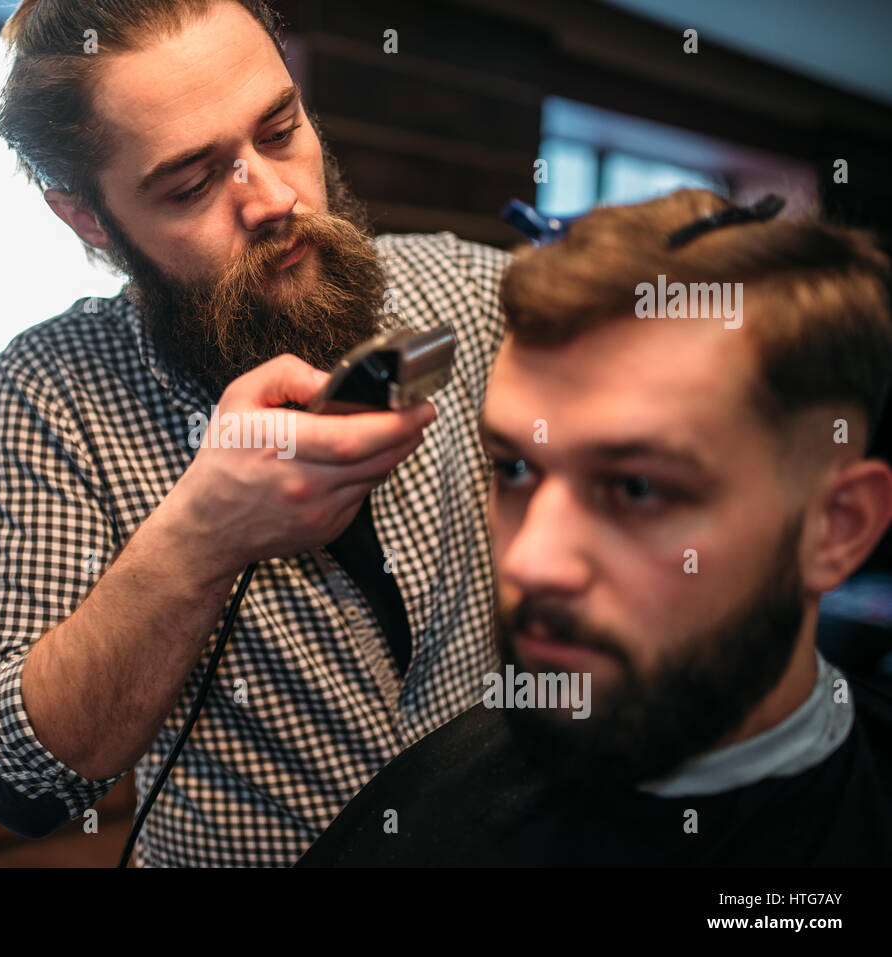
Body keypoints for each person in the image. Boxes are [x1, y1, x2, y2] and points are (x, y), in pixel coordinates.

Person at [0, 0, 510, 866]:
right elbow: (17, 780)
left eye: (280, 130)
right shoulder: (56, 388)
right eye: (191, 185)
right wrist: (201, 536)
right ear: (90, 219)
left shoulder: (456, 291)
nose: (276, 200)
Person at [298, 188, 892, 867]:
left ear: (836, 527)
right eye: (516, 468)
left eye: (637, 487)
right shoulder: (419, 826)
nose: (532, 562)